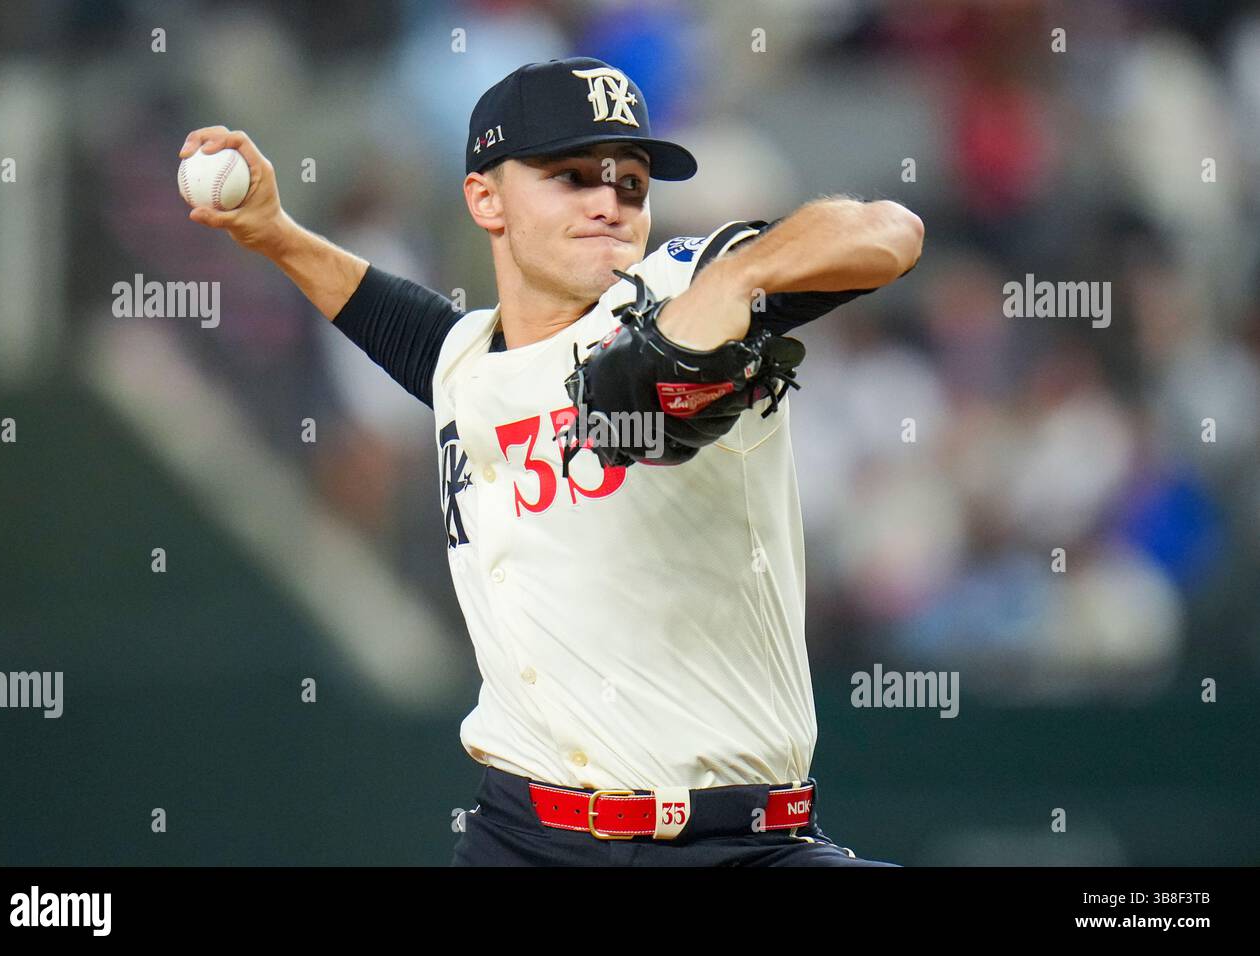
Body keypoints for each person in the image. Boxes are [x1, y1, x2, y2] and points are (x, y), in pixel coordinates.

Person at [179, 56, 923, 866]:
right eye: (573, 176)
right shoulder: (463, 360)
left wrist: (736, 280)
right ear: (484, 198)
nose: (610, 203)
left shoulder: (684, 289)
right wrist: (277, 234)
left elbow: (890, 232)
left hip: (739, 844)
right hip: (522, 839)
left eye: (631, 184)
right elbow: (393, 318)